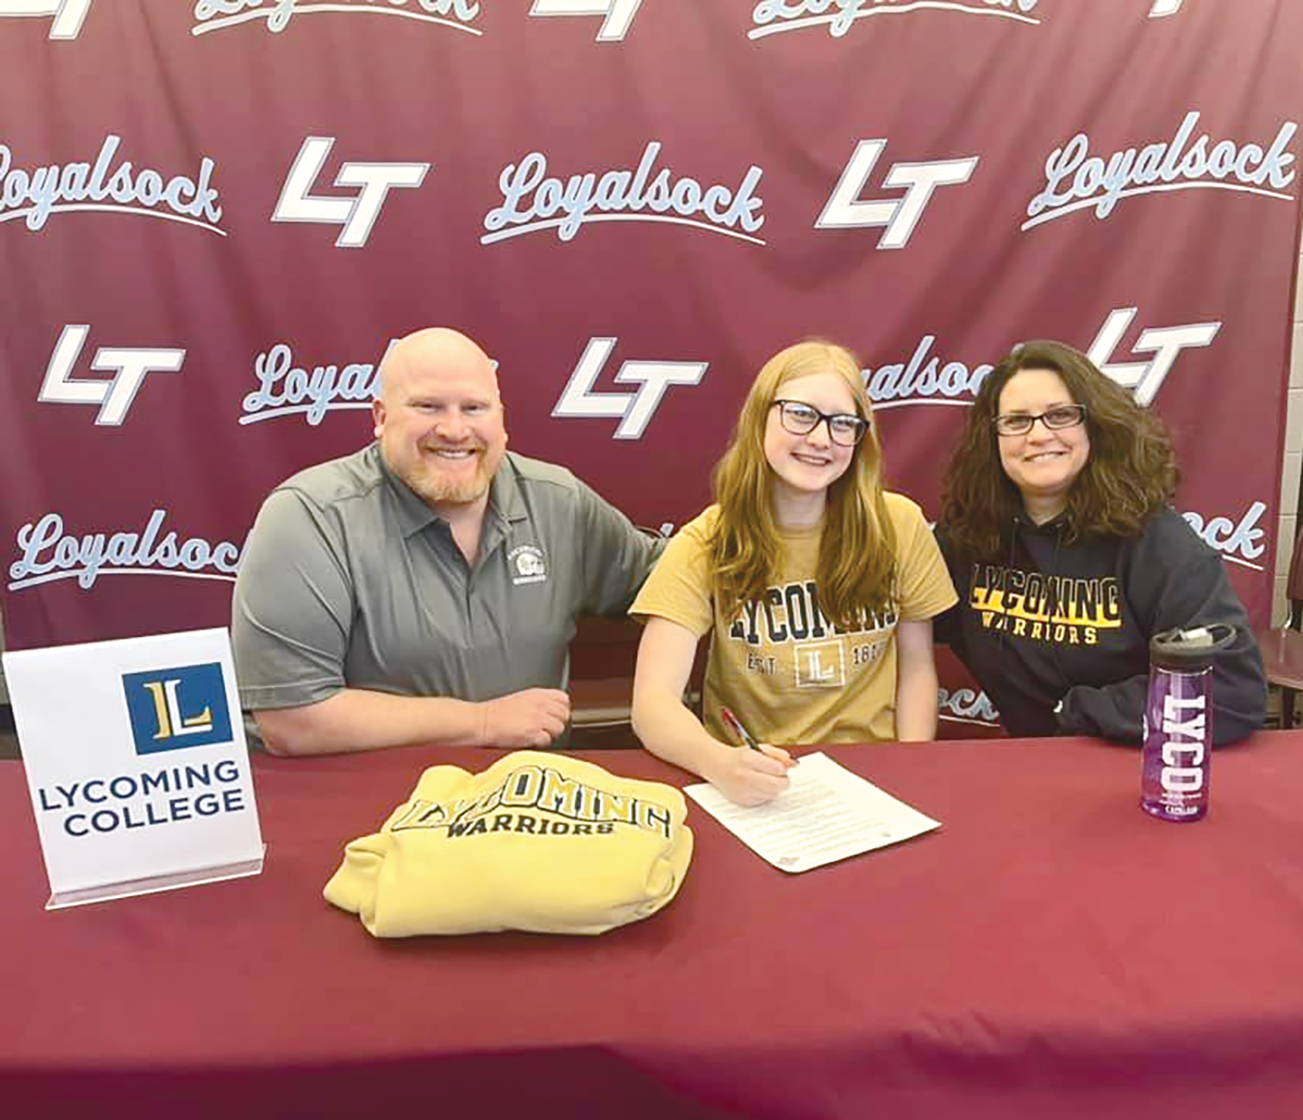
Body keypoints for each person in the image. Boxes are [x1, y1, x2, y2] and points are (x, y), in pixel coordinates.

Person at [232, 327, 662, 756]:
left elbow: (667, 580)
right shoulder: (310, 516)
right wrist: (484, 722)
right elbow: (292, 721)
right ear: (380, 417)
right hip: (366, 790)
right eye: (428, 406)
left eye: (474, 408)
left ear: (500, 419)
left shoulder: (559, 502)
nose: (455, 430)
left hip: (530, 791)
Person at [629, 340, 957, 806]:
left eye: (842, 423)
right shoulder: (708, 540)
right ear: (760, 418)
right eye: (801, 415)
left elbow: (917, 667)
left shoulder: (899, 524)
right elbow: (652, 703)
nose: (821, 439)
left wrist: (911, 767)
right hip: (758, 781)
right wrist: (719, 763)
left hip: (875, 778)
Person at [934, 339, 1265, 744]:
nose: (1039, 435)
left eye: (1060, 415)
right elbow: (892, 627)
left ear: (1095, 425)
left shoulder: (1158, 544)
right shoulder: (966, 538)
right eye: (1017, 420)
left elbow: (1231, 690)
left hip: (1130, 759)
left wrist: (1077, 713)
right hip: (1027, 764)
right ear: (992, 438)